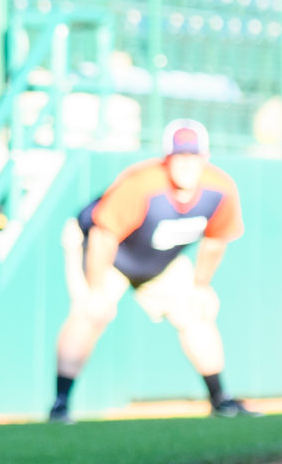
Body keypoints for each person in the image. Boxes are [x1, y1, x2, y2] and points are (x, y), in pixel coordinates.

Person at [50, 118, 249, 422]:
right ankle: (60, 405)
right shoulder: (143, 185)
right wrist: (96, 290)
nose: (186, 164)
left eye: (193, 156)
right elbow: (104, 236)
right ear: (166, 159)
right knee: (90, 314)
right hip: (105, 254)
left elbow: (216, 240)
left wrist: (200, 285)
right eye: (179, 156)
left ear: (205, 158)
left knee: (197, 314)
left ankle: (221, 401)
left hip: (158, 261)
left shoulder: (219, 189)